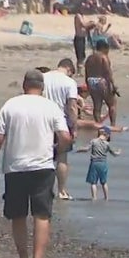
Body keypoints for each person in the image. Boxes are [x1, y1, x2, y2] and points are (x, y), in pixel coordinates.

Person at [0, 69, 72, 258]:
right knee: (42, 215)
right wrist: (58, 150)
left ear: (24, 85)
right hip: (43, 167)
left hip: (15, 167)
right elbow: (65, 137)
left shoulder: (11, 105)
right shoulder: (51, 107)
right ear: (42, 87)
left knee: (18, 215)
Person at [43, 58, 81, 200]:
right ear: (69, 70)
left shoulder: (44, 77)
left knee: (43, 157)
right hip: (60, 122)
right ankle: (61, 190)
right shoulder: (69, 82)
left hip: (43, 120)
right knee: (62, 158)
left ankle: (45, 189)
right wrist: (74, 127)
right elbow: (72, 106)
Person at [76, 125, 120, 200]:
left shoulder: (94, 141)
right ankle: (106, 197)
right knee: (104, 182)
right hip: (103, 163)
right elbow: (114, 153)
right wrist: (118, 152)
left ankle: (94, 197)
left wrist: (79, 149)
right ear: (107, 135)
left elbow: (86, 149)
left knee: (93, 182)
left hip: (94, 163)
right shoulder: (107, 144)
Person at [85, 39, 118, 126]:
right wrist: (113, 86)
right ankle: (113, 125)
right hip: (101, 81)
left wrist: (88, 85)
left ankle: (98, 125)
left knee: (97, 106)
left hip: (91, 81)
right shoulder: (104, 57)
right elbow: (108, 73)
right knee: (112, 104)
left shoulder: (89, 58)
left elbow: (86, 73)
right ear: (104, 48)